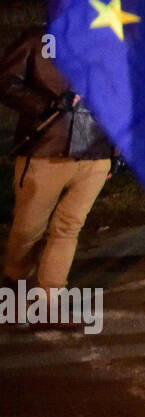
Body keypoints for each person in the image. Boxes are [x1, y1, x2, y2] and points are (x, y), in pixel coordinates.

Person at [1, 29, 114, 306]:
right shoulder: (34, 40)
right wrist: (46, 105)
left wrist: (117, 152)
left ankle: (50, 300)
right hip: (45, 151)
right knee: (28, 228)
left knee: (68, 227)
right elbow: (5, 82)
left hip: (95, 154)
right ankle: (14, 277)